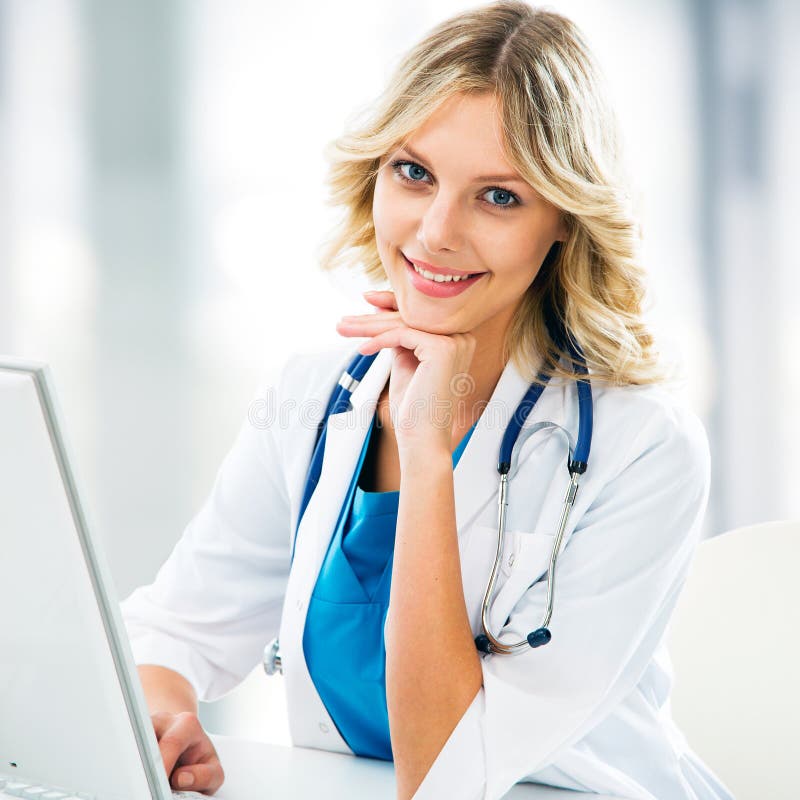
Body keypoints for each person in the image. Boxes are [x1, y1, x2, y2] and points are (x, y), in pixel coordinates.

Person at [120, 2, 736, 799]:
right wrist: (164, 711)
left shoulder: (643, 447)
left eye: (499, 197)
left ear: (563, 220)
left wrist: (426, 454)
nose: (438, 231)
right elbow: (171, 631)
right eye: (414, 173)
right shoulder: (315, 395)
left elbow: (448, 771)